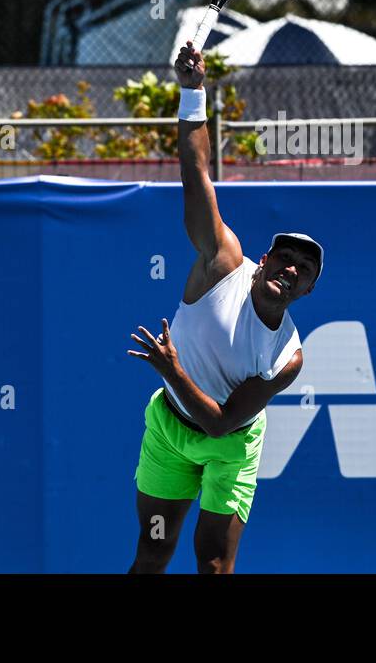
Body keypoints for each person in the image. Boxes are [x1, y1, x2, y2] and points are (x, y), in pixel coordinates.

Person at [125, 41, 323, 574]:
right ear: (262, 261)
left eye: (302, 271)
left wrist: (172, 369)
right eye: (284, 258)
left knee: (213, 564)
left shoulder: (288, 357)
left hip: (230, 446)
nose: (290, 269)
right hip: (168, 429)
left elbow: (220, 424)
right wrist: (193, 92)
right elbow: (198, 176)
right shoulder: (221, 261)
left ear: (305, 293)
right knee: (153, 551)